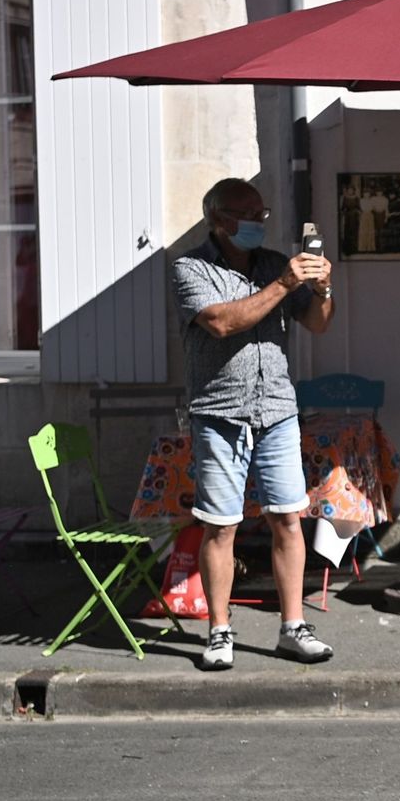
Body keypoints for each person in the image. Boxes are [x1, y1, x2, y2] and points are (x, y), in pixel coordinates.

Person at [172, 178, 338, 672]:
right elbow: (222, 322)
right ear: (217, 219)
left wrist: (323, 288)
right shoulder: (190, 267)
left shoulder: (270, 263)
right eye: (246, 215)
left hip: (277, 408)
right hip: (220, 411)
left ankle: (293, 628)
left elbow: (319, 321)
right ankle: (219, 631)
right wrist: (286, 283)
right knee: (221, 526)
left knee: (288, 518)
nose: (256, 224)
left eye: (261, 215)